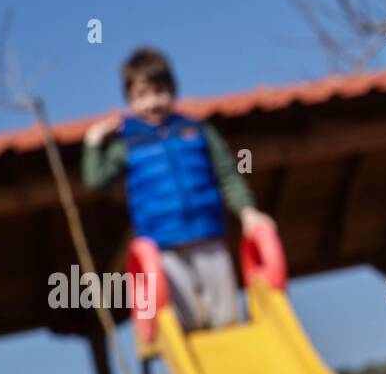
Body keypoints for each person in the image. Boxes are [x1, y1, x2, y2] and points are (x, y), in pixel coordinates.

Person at [82, 47, 275, 331]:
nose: (152, 103)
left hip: (207, 233)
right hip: (163, 242)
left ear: (173, 90)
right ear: (129, 100)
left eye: (159, 92)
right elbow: (96, 180)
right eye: (141, 96)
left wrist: (247, 211)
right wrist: (93, 143)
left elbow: (227, 173)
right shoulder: (126, 142)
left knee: (225, 314)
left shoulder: (196, 130)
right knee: (187, 317)